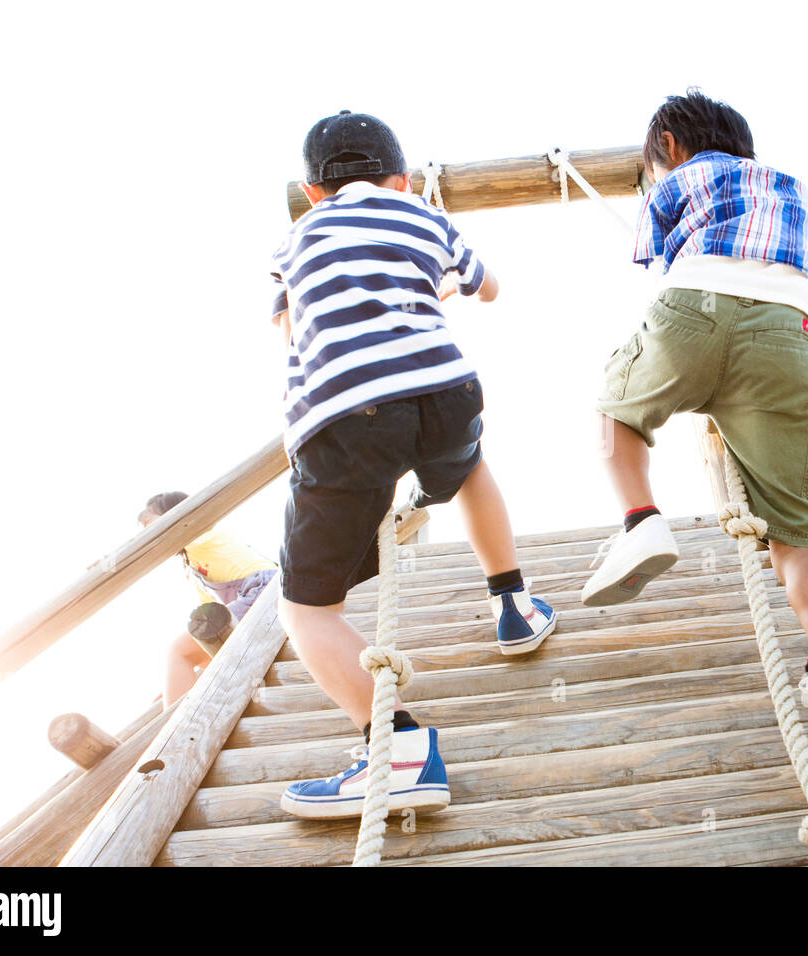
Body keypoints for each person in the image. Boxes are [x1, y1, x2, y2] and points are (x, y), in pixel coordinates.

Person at [583, 90, 808, 759]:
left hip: (696, 307)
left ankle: (641, 522)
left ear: (667, 150)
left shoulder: (677, 179)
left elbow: (653, 258)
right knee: (800, 531)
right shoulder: (792, 188)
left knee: (617, 408)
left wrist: (658, 202)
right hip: (793, 335)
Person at [271, 111, 557, 819]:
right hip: (444, 392)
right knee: (469, 470)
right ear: (401, 178)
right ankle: (514, 603)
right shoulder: (419, 213)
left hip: (345, 420)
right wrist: (439, 288)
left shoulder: (294, 238)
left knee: (305, 609)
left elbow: (286, 325)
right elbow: (487, 286)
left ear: (312, 192)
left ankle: (395, 748)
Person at [137, 491, 278, 705]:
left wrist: (115, 560)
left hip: (265, 590)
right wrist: (176, 678)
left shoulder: (203, 536)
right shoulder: (193, 569)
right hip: (254, 600)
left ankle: (176, 725)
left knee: (178, 650)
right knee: (197, 654)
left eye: (151, 527)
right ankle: (179, 704)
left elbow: (167, 534)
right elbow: (208, 625)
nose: (148, 536)